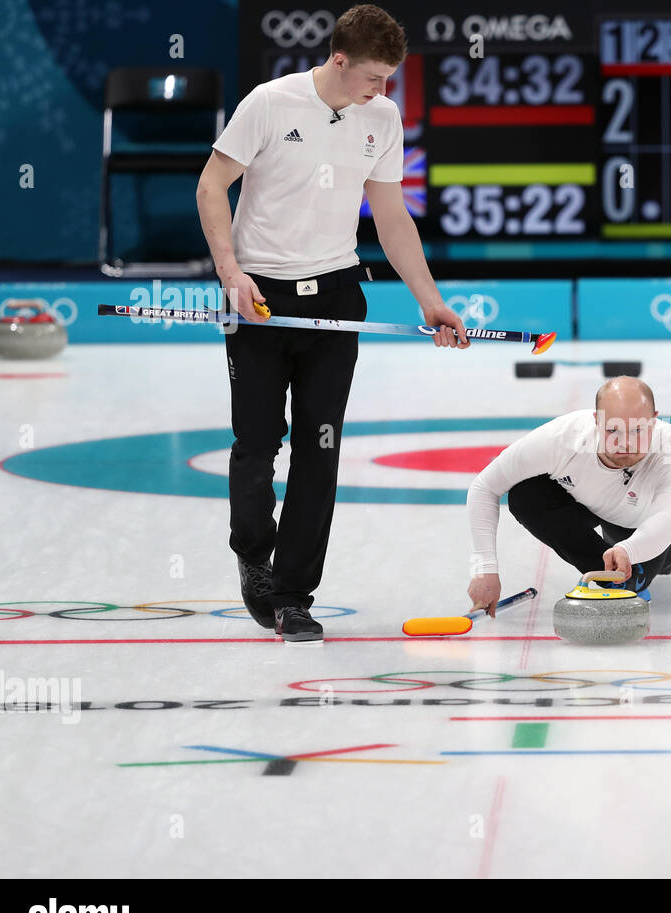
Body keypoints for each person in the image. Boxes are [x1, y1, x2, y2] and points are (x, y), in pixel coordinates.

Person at [195, 4, 468, 643]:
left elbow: (392, 218)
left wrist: (429, 299)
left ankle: (293, 594)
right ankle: (252, 552)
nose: (383, 89)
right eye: (373, 76)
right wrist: (232, 273)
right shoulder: (269, 103)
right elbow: (212, 187)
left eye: (390, 78)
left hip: (337, 300)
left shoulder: (382, 116)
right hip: (259, 297)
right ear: (339, 60)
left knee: (320, 453)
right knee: (257, 446)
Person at [465, 377, 671, 613]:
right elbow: (485, 487)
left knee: (652, 545)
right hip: (578, 503)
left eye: (638, 429)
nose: (626, 442)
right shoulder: (562, 437)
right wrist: (484, 569)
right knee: (525, 496)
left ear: (654, 420)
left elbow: (669, 517)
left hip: (636, 523)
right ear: (596, 420)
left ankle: (663, 551)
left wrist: (631, 549)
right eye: (612, 429)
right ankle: (614, 576)